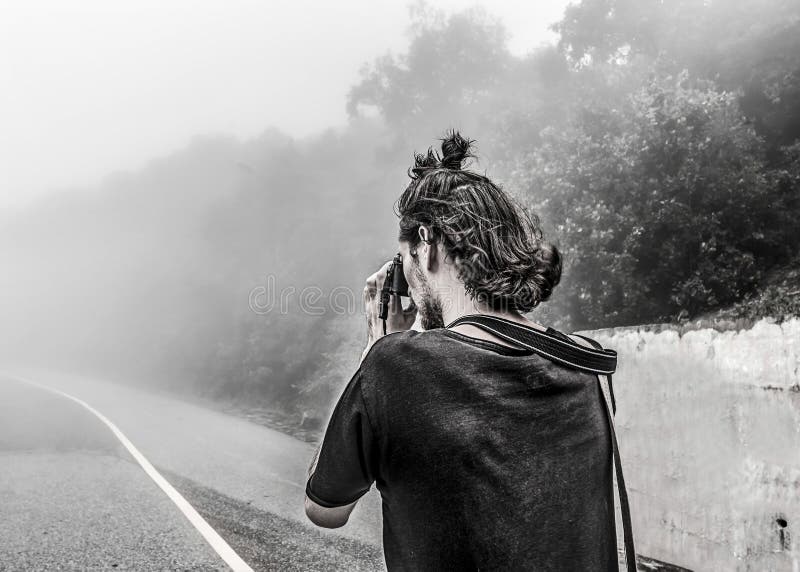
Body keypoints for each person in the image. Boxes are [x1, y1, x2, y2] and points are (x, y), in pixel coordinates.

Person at [304, 131, 619, 570]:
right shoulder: (585, 364)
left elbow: (325, 508)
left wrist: (375, 347)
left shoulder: (395, 368)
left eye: (405, 260)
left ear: (427, 244)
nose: (409, 281)